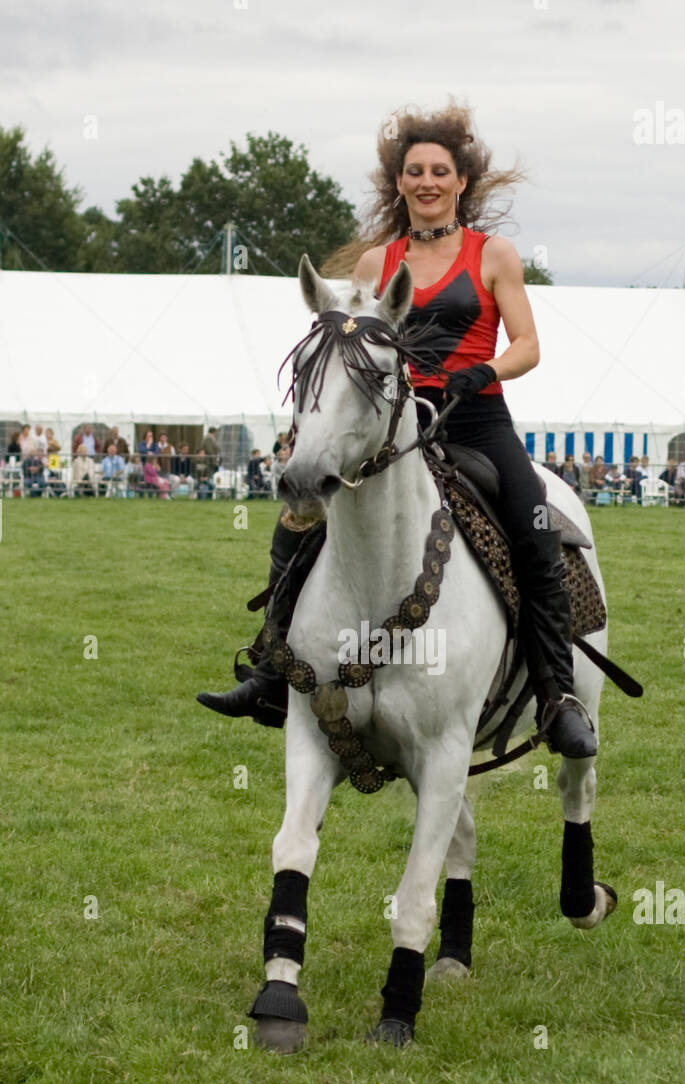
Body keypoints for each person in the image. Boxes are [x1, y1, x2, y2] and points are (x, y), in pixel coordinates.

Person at [198, 102, 597, 758]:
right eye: (416, 171)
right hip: (391, 427)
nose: (428, 181)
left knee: (531, 526)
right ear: (401, 183)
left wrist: (480, 372)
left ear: (461, 182)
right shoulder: (374, 267)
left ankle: (556, 696)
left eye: (441, 170)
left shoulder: (493, 255)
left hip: (477, 421)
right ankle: (273, 671)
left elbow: (528, 346)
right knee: (300, 518)